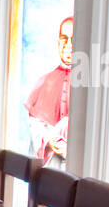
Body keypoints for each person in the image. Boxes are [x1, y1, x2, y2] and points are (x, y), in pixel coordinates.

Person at [24, 16, 74, 167]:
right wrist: (49, 141)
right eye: (64, 39)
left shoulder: (89, 86)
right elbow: (35, 125)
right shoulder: (45, 81)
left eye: (73, 39)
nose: (68, 45)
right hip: (51, 161)